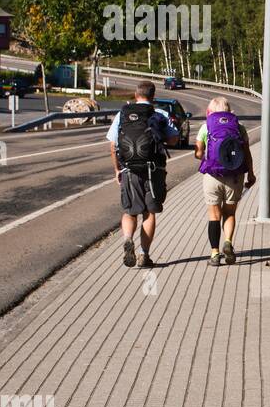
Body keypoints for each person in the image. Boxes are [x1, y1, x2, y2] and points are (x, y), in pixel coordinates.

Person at [108, 80, 179, 268]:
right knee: (149, 213)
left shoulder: (122, 114)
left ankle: (127, 238)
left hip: (129, 169)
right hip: (154, 171)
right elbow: (173, 139)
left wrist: (117, 169)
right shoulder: (160, 114)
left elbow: (113, 145)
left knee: (130, 211)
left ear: (135, 94)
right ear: (153, 96)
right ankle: (143, 255)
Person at [194, 96, 255, 266]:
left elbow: (198, 153)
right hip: (235, 176)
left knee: (214, 216)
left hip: (212, 176)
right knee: (229, 213)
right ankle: (228, 242)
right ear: (228, 110)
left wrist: (203, 155)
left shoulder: (206, 126)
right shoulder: (239, 127)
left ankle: (214, 254)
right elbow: (246, 153)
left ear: (211, 111)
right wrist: (251, 174)